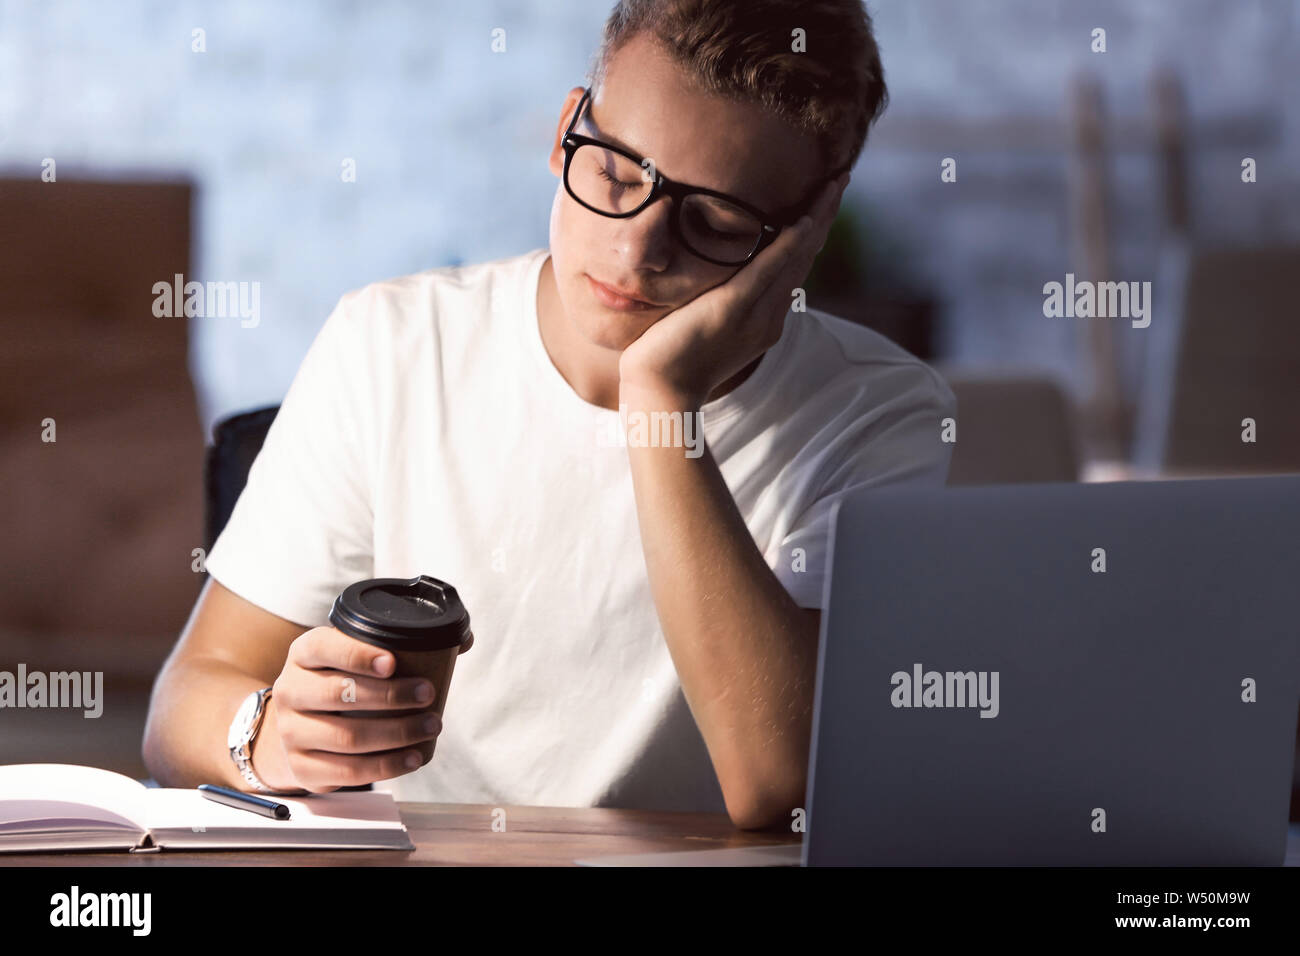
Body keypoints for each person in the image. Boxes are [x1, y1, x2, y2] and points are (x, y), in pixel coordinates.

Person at [143, 0, 954, 831]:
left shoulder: (879, 414)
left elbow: (777, 785)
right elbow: (183, 706)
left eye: (714, 221)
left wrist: (660, 401)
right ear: (571, 124)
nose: (637, 249)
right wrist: (266, 738)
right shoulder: (391, 341)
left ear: (804, 235)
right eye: (615, 172)